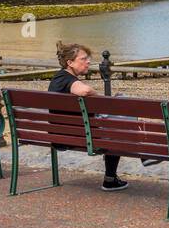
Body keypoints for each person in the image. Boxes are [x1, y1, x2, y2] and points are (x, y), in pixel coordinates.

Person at [50, 41, 126, 191]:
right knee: (117, 130)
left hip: (60, 136)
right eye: (83, 59)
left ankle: (112, 178)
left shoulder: (58, 79)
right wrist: (98, 96)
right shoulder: (66, 80)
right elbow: (83, 91)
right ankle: (110, 179)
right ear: (70, 62)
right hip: (80, 137)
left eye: (88, 58)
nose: (88, 61)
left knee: (115, 125)